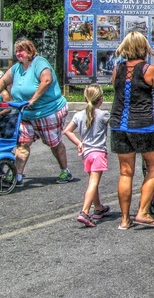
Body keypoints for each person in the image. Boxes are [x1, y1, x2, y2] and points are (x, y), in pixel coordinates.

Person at [109, 31, 154, 230]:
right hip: (143, 125)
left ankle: (124, 219)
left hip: (118, 124)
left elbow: (117, 89)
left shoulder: (118, 69)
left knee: (125, 172)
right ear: (143, 48)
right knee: (153, 168)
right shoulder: (150, 69)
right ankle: (143, 212)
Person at [0, 38, 71, 186]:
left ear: (30, 51)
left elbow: (46, 80)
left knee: (54, 144)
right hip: (25, 113)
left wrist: (33, 99)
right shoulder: (16, 68)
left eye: (22, 50)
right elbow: (3, 81)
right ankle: (17, 177)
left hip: (47, 111)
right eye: (17, 51)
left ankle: (65, 170)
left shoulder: (39, 63)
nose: (18, 53)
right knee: (22, 144)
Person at [63, 84, 111, 228]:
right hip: (98, 153)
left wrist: (79, 143)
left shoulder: (78, 115)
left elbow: (67, 131)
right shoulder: (103, 115)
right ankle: (84, 211)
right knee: (93, 183)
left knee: (92, 181)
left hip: (87, 154)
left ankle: (98, 208)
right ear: (101, 100)